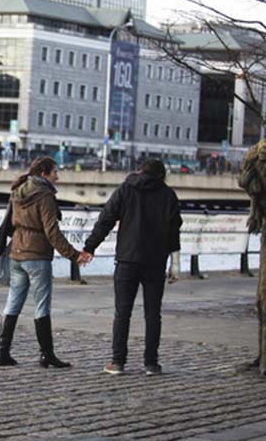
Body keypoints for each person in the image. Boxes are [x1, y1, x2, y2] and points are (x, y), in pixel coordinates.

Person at [82, 159, 182, 376]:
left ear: (140, 170)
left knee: (122, 312)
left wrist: (90, 247)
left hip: (127, 259)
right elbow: (174, 231)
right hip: (155, 261)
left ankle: (118, 362)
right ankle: (151, 363)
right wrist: (175, 264)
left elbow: (106, 219)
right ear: (161, 175)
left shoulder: (126, 189)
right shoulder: (168, 195)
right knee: (153, 314)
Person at [0, 156, 89, 368]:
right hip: (37, 256)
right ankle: (46, 354)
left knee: (13, 302)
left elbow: (9, 222)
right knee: (41, 305)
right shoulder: (44, 194)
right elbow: (52, 231)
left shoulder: (17, 190)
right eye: (55, 172)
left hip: (17, 253)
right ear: (44, 173)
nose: (57, 176)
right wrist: (74, 255)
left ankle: (2, 353)